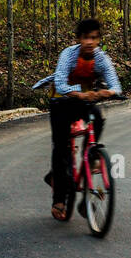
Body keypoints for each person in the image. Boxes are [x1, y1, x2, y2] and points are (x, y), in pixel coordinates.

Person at [43, 18, 122, 219]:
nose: (90, 42)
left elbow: (115, 84)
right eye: (86, 37)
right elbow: (60, 83)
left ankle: (92, 154)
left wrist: (109, 92)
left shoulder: (101, 58)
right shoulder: (68, 55)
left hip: (83, 102)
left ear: (98, 40)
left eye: (94, 38)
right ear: (79, 39)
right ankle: (59, 199)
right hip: (60, 101)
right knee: (61, 148)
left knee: (98, 116)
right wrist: (80, 94)